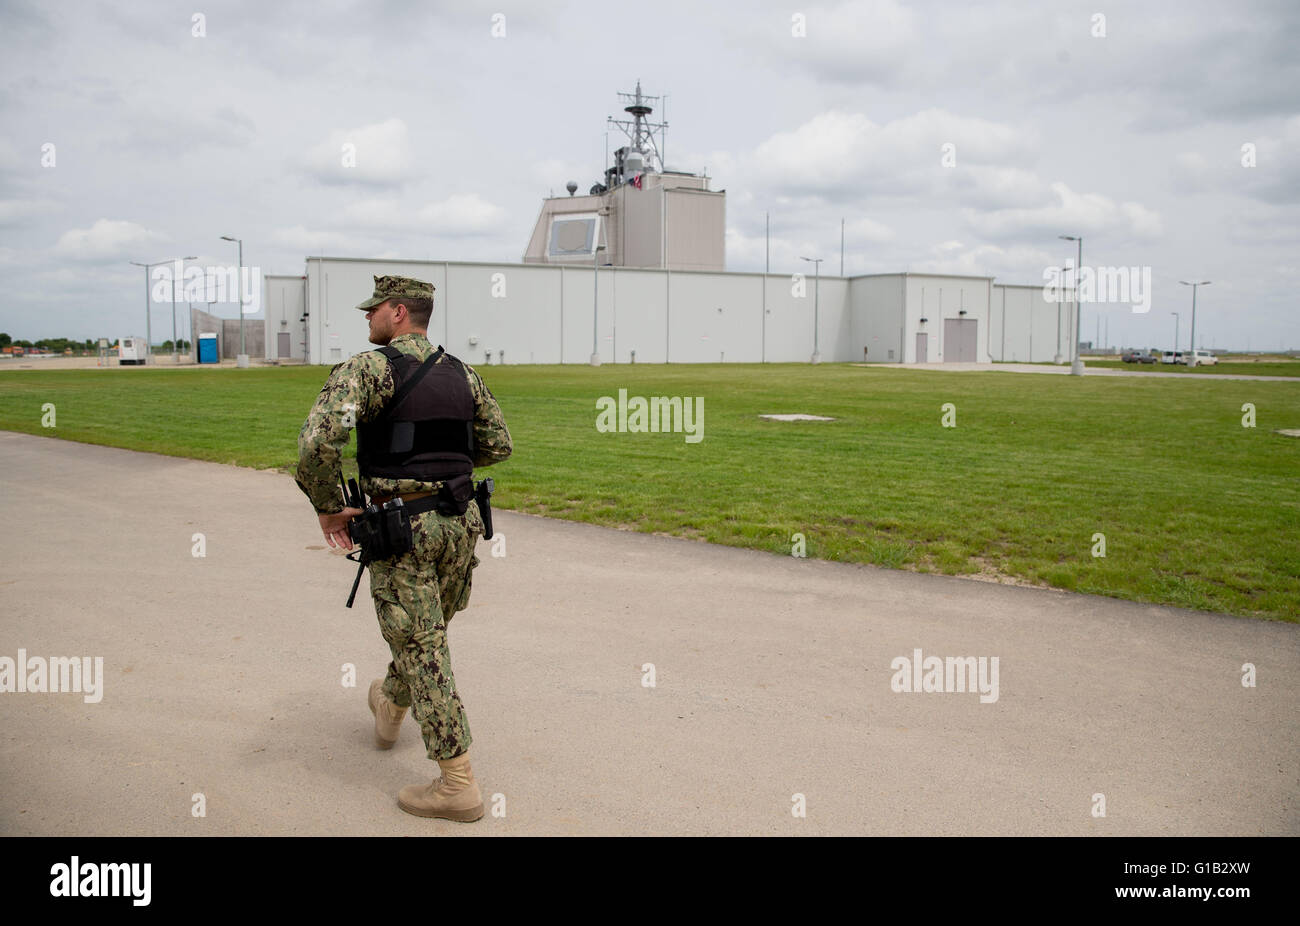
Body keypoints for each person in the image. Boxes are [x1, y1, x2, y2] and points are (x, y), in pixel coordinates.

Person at [295, 274, 512, 821]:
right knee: (424, 633)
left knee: (422, 645)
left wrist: (327, 505)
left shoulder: (367, 370)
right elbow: (497, 444)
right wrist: (441, 471)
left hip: (404, 528)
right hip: (461, 522)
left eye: (373, 311)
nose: (366, 318)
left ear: (397, 313)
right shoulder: (463, 373)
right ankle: (390, 706)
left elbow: (319, 442)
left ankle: (457, 783)